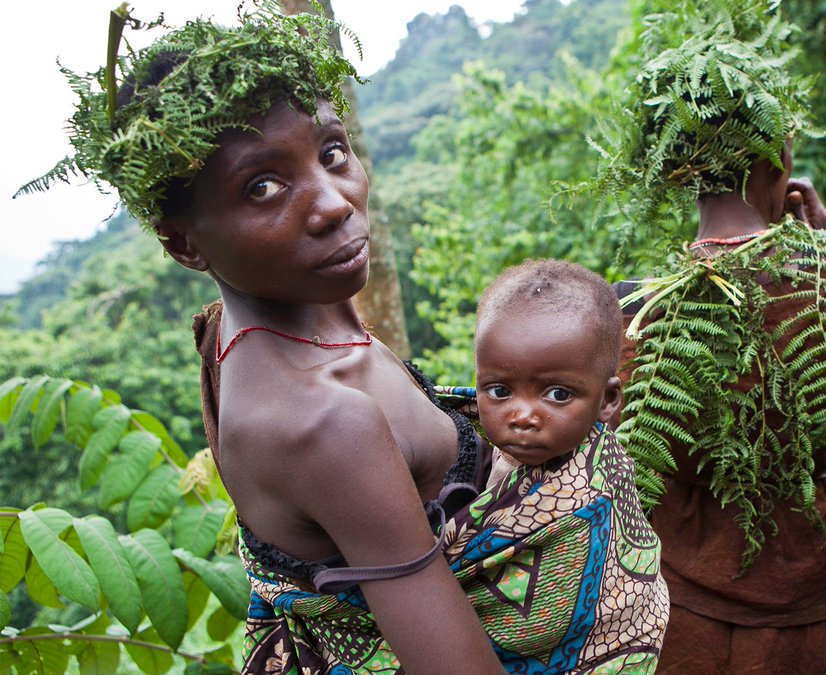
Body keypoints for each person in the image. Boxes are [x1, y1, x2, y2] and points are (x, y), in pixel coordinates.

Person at [27, 4, 505, 673]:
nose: (334, 200)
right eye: (264, 185)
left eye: (332, 152)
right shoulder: (320, 421)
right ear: (184, 242)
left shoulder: (286, 316)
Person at [592, 3, 826, 671]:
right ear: (782, 152)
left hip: (683, 610)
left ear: (672, 169)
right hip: (821, 598)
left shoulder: (634, 310)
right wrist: (823, 250)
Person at [437, 259, 669, 673]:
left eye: (558, 394)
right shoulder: (456, 450)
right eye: (499, 390)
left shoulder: (601, 485)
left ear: (608, 401)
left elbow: (623, 607)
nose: (523, 415)